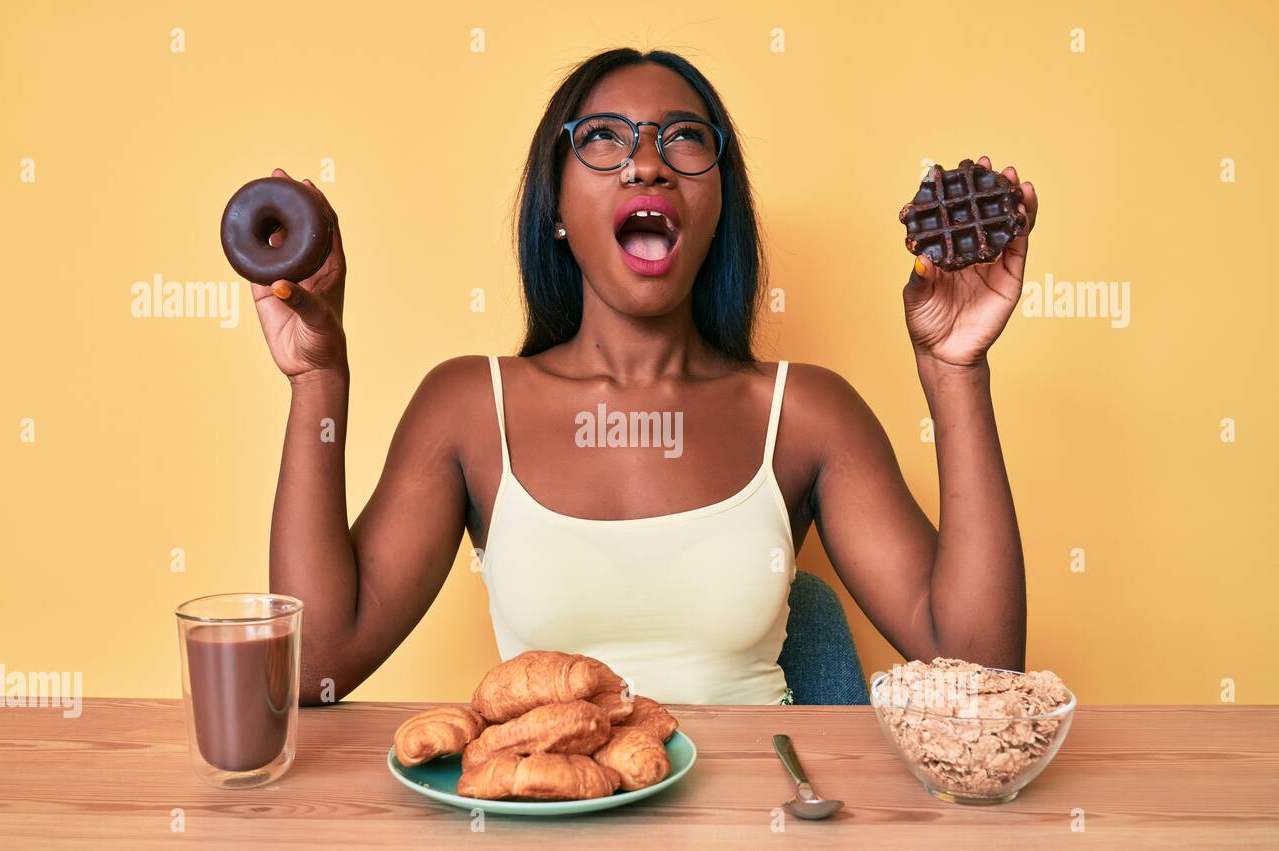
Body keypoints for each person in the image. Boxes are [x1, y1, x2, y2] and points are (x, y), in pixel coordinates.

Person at [252, 48, 1038, 706]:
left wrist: (956, 370)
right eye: (603, 138)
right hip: (547, 829)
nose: (648, 163)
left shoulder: (807, 413)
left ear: (719, 202)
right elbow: (315, 668)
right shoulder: (467, 407)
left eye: (685, 140)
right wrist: (318, 379)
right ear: (556, 206)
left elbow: (983, 668)